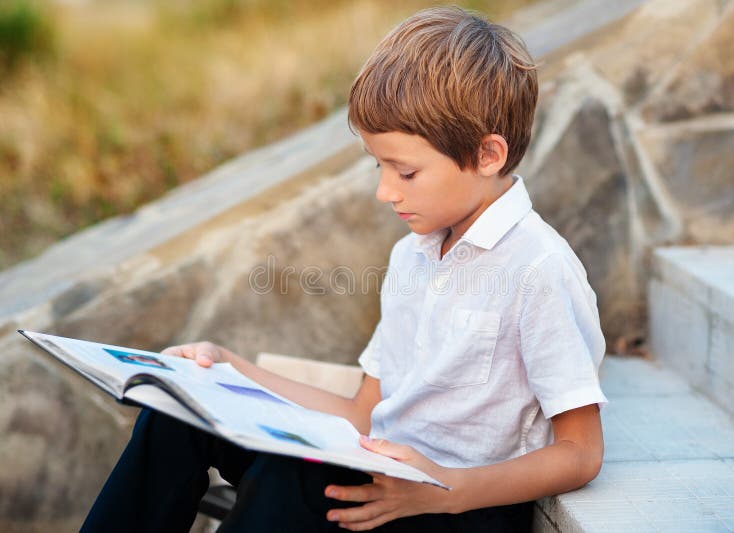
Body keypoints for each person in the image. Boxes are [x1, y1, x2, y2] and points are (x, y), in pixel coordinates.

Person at [81, 6, 606, 532]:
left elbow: (580, 452)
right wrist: (228, 369)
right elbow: (363, 413)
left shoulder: (539, 268)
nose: (385, 191)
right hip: (376, 468)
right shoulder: (414, 254)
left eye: (406, 171)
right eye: (380, 166)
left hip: (456, 507)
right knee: (177, 413)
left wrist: (446, 490)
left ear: (488, 155)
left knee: (293, 479)